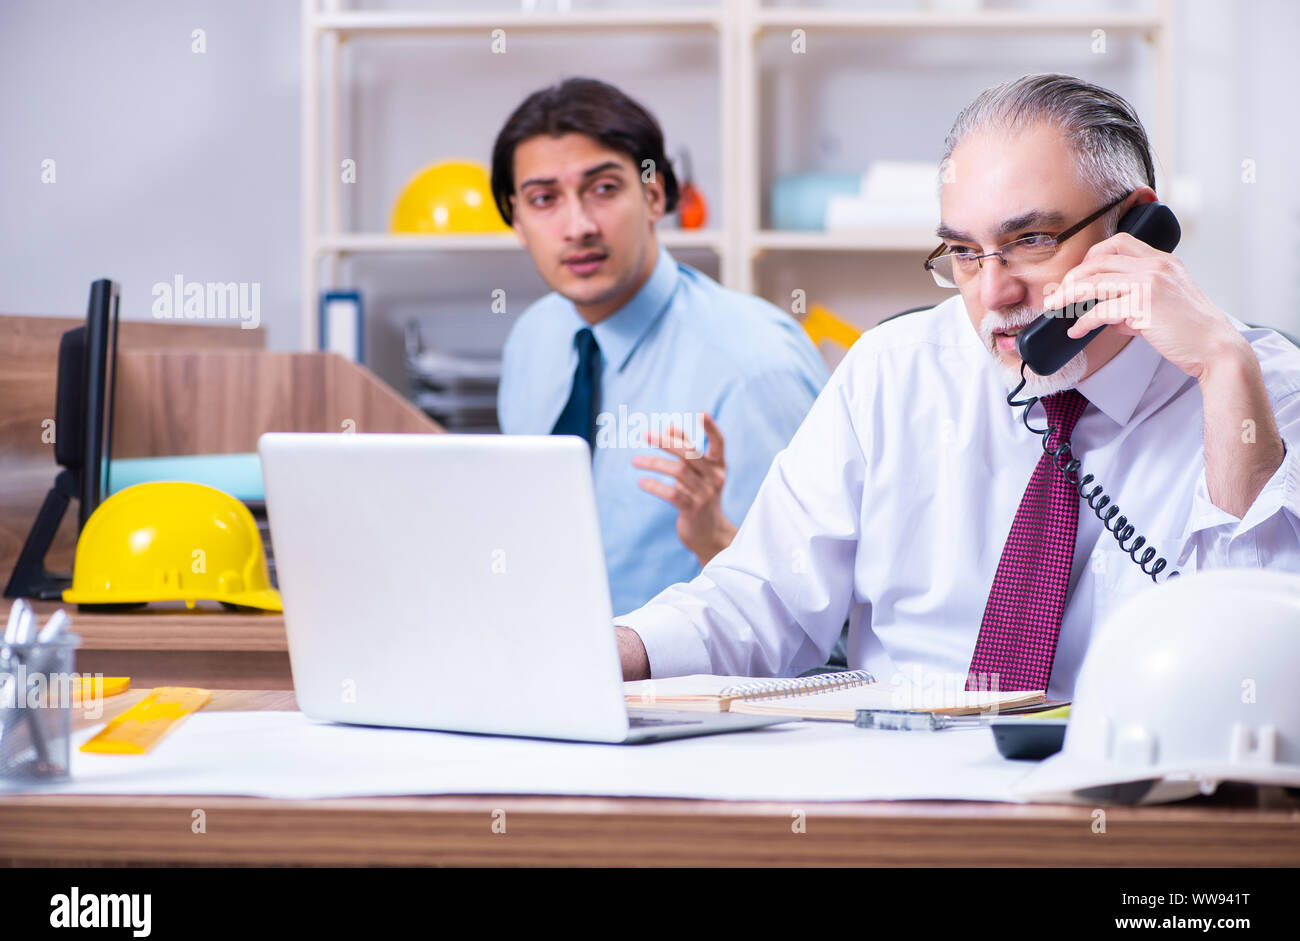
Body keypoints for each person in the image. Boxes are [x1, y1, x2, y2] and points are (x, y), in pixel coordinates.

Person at [614, 73, 1300, 699]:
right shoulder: (894, 370)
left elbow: (1260, 666)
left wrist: (1223, 370)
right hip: (904, 788)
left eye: (1032, 239)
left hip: (1140, 794)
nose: (994, 293)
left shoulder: (1259, 386)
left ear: (1137, 227)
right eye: (965, 254)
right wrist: (615, 651)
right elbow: (757, 600)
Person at [492, 77, 828, 617]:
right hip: (536, 668)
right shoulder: (533, 340)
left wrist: (713, 535)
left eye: (603, 189)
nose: (577, 227)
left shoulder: (754, 363)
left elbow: (818, 612)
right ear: (516, 218)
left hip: (686, 692)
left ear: (653, 195)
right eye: (543, 199)